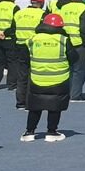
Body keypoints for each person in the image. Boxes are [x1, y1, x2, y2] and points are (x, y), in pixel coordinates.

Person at [20, 10, 75, 142]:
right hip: (58, 79)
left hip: (37, 78)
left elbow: (24, 59)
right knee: (55, 107)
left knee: (34, 106)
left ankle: (29, 132)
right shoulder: (63, 40)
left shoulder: (32, 40)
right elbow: (74, 57)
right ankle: (51, 132)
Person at [11, 0, 49, 110]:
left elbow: (12, 30)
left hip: (20, 46)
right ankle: (31, 101)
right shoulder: (42, 14)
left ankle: (20, 102)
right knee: (34, 75)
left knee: (22, 75)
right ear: (42, 2)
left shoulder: (19, 13)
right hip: (34, 47)